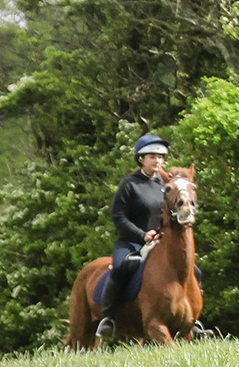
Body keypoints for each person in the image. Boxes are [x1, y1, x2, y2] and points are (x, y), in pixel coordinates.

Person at [97, 134, 171, 338]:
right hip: (131, 243)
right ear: (140, 159)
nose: (157, 161)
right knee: (122, 267)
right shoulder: (129, 185)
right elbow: (118, 217)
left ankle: (192, 319)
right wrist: (142, 235)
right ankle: (108, 318)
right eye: (152, 157)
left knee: (194, 271)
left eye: (160, 157)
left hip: (160, 244)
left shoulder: (165, 186)